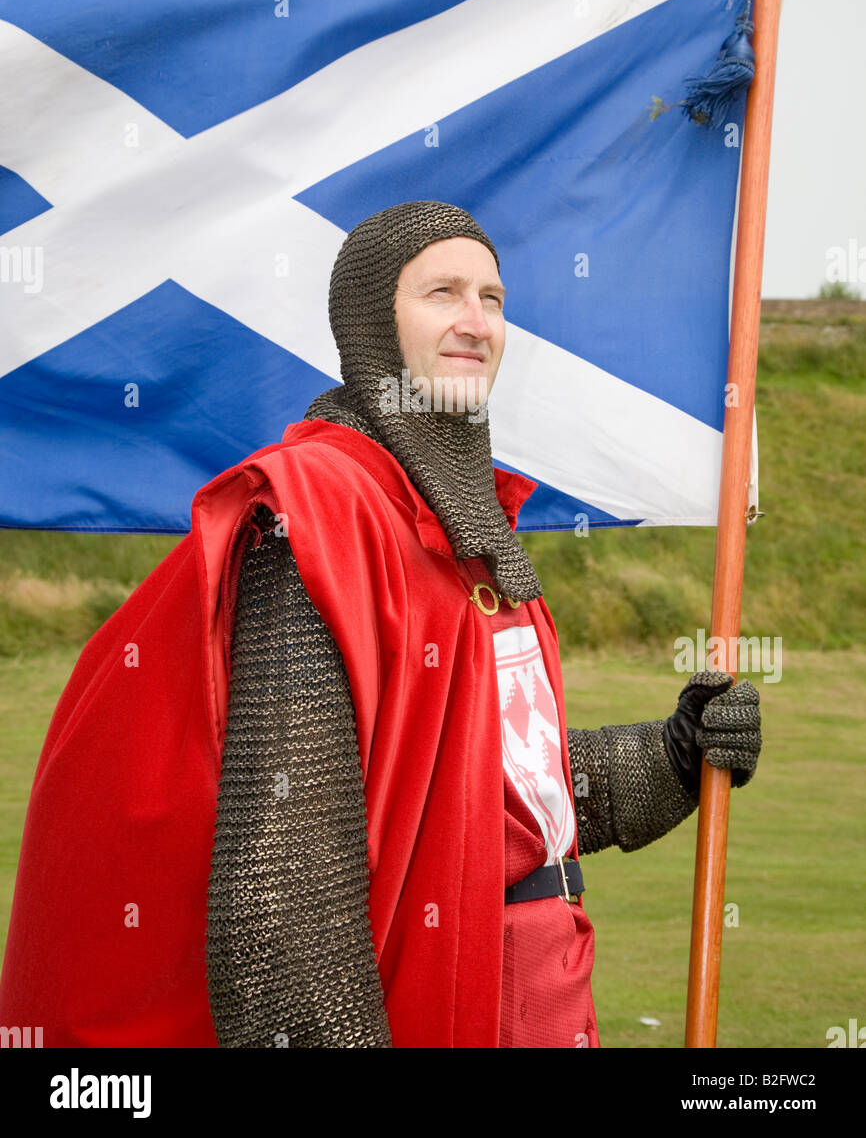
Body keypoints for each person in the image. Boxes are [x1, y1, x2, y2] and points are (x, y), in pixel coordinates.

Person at [0, 200, 761, 1050]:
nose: (477, 321)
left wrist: (666, 755)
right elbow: (286, 906)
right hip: (440, 1005)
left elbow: (479, 778)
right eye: (442, 292)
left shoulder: (470, 530)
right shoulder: (319, 522)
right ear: (373, 324)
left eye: (494, 299)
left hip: (540, 999)